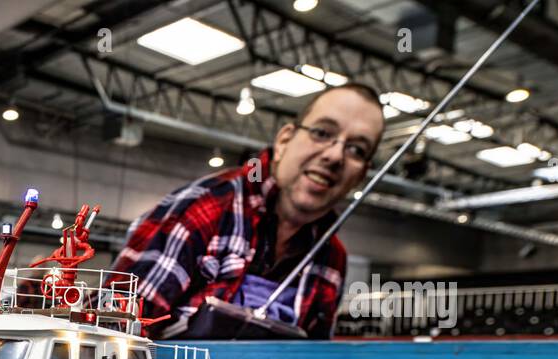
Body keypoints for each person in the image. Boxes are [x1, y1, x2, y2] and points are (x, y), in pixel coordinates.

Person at [111, 83, 385, 339]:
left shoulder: (332, 259)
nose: (335, 156)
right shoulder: (207, 207)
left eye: (356, 150)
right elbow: (113, 328)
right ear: (284, 140)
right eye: (322, 133)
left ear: (362, 175)